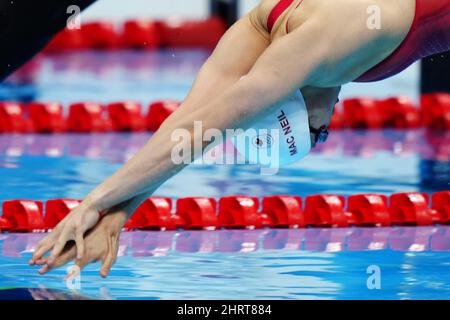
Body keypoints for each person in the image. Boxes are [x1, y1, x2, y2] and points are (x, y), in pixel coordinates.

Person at [29, 0, 449, 277]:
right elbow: (190, 124)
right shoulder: (274, 16)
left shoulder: (315, 56)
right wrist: (119, 213)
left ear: (294, 107)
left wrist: (92, 204)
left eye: (318, 133)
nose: (329, 126)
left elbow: (199, 130)